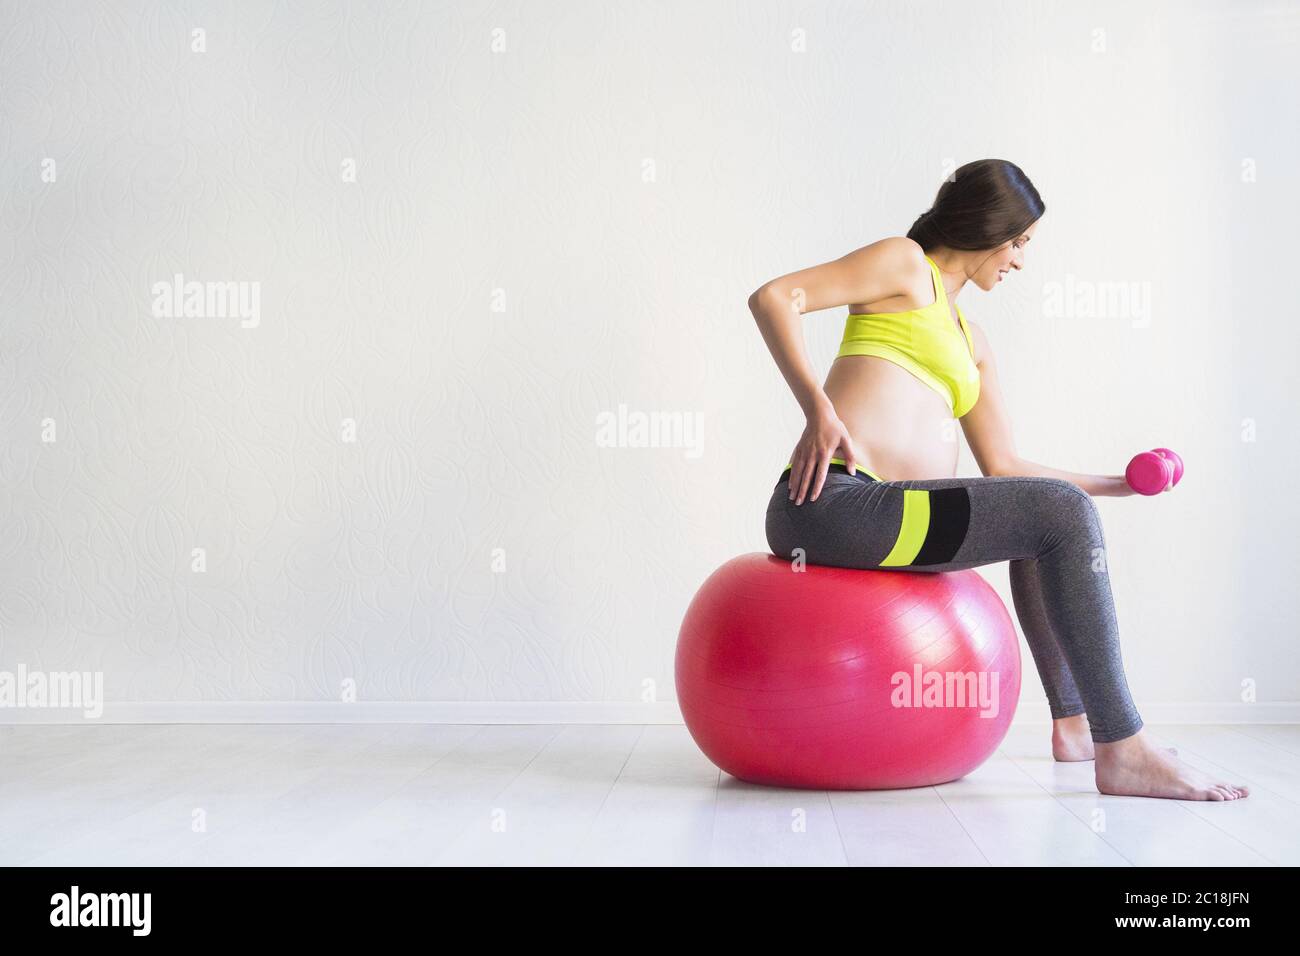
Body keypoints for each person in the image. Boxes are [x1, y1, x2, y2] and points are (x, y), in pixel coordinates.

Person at [749, 159, 1247, 801]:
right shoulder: (904, 265)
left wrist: (1115, 484)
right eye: (1018, 242)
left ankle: (1074, 727)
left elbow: (1005, 468)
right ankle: (1122, 747)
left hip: (898, 517)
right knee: (1055, 516)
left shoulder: (973, 339)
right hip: (832, 504)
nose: (1018, 260)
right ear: (988, 226)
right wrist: (817, 408)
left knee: (1050, 518)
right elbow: (774, 298)